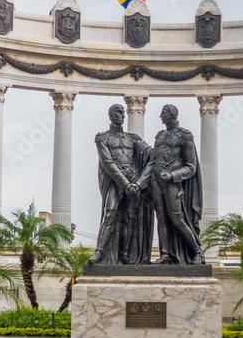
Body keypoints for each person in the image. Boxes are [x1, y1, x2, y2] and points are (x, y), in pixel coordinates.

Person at [88, 104, 154, 265]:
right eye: (118, 112)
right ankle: (99, 252)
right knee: (109, 214)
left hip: (134, 179)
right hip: (116, 181)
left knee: (130, 217)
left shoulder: (132, 138)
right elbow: (108, 163)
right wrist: (125, 183)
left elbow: (151, 153)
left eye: (123, 112)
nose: (122, 115)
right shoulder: (102, 138)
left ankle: (125, 253)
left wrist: (163, 144)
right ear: (110, 115)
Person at [147, 104, 205, 265]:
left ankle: (198, 252)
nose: (160, 116)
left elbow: (191, 167)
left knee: (177, 219)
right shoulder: (159, 136)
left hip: (173, 184)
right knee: (162, 219)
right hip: (156, 181)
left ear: (172, 114)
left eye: (163, 113)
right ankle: (165, 254)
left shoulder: (185, 136)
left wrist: (172, 176)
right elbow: (153, 160)